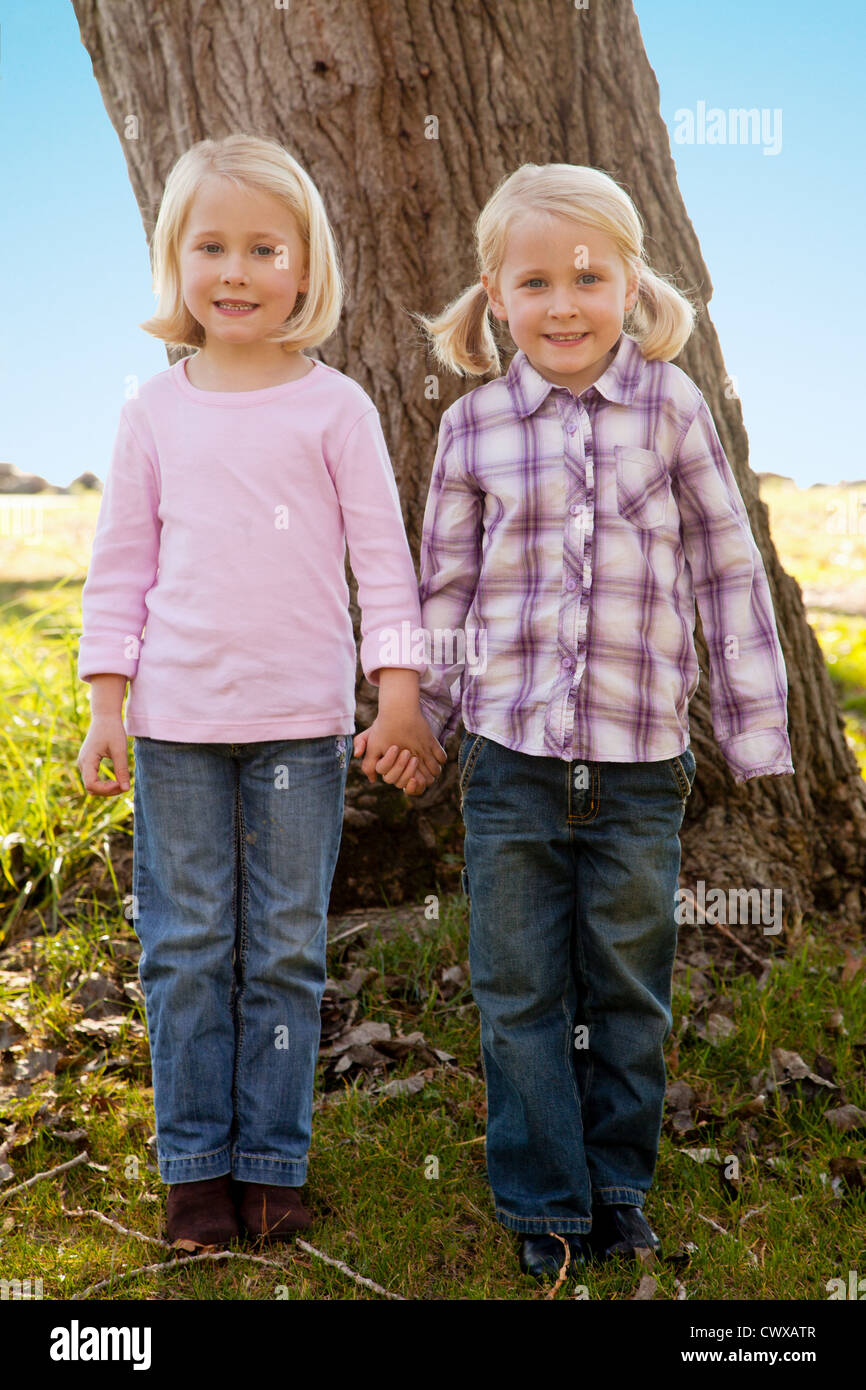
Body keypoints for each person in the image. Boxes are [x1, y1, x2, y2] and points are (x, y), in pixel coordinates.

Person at [369, 162, 794, 1281]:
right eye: (536, 281)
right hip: (509, 759)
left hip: (640, 758)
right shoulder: (470, 429)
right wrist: (427, 722)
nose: (564, 303)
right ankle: (543, 1201)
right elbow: (444, 591)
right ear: (494, 294)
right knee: (515, 985)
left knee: (625, 982)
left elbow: (725, 563)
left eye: (589, 277)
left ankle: (618, 1185)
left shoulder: (671, 405)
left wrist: (750, 729)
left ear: (630, 284)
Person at [76, 133, 445, 1250]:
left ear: (304, 266)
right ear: (175, 262)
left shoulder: (335, 409)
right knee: (185, 948)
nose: (233, 271)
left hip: (301, 725)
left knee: (282, 948)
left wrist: (397, 695)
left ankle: (272, 1165)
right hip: (177, 726)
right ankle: (194, 1169)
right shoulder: (153, 409)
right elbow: (119, 565)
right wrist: (106, 703)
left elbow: (384, 562)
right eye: (209, 247)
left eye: (261, 248)